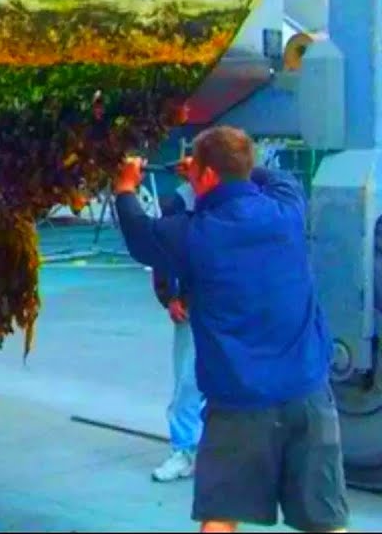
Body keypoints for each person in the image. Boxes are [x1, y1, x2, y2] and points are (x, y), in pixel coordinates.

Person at [111, 125, 348, 533]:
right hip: (307, 393)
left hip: (239, 402)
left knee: (220, 517)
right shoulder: (286, 210)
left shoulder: (190, 234)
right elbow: (278, 179)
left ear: (205, 176)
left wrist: (125, 186)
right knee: (326, 521)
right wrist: (222, 169)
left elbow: (138, 233)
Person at [149, 175, 205, 483]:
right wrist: (170, 295)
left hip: (231, 305)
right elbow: (163, 251)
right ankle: (184, 450)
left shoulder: (241, 197)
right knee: (188, 380)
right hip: (192, 307)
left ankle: (217, 451)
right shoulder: (180, 204)